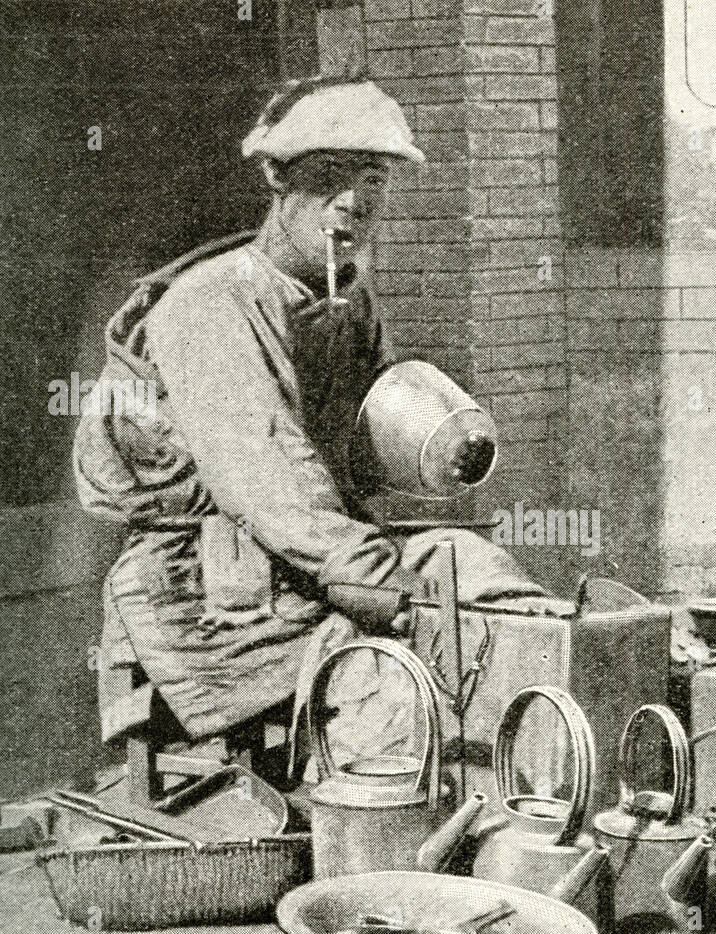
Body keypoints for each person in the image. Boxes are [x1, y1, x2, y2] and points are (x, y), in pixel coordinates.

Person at [74, 77, 546, 752]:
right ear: (277, 175)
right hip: (212, 589)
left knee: (479, 573)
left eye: (374, 178)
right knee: (391, 695)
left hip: (316, 554)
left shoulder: (343, 297)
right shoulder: (212, 302)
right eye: (329, 175)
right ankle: (379, 840)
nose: (353, 202)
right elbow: (268, 478)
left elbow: (365, 443)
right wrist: (391, 587)